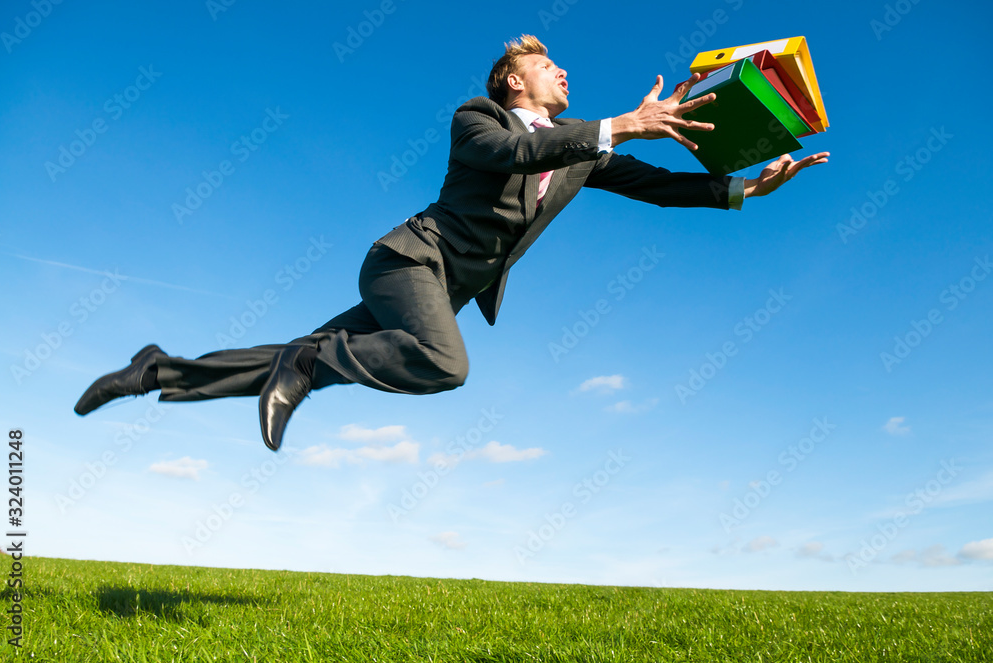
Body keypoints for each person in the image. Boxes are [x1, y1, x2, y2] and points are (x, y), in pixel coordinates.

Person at [75, 35, 829, 451]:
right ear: (513, 83)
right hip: (406, 263)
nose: (564, 70)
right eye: (547, 66)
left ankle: (154, 370)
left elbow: (657, 186)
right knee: (442, 363)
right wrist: (618, 124)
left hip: (443, 288)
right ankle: (304, 364)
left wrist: (747, 189)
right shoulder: (479, 118)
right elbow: (515, 155)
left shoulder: (582, 153)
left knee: (293, 360)